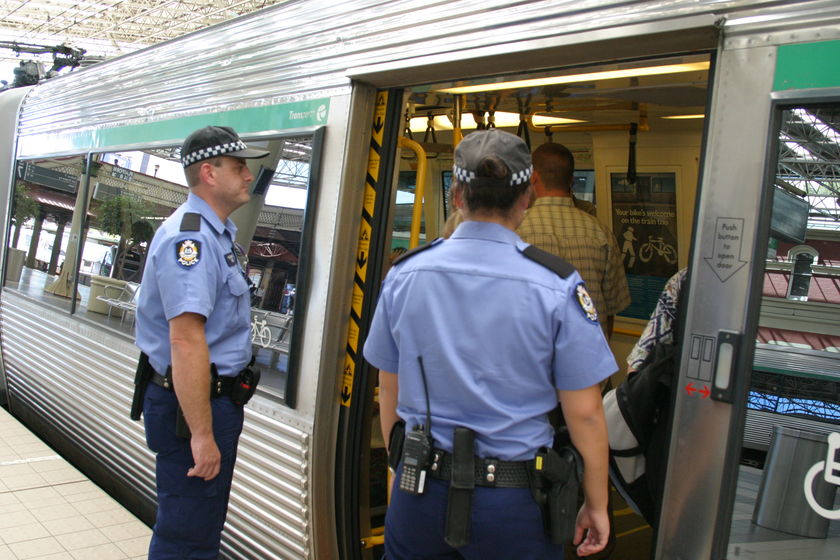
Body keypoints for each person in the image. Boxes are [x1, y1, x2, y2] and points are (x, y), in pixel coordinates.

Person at [364, 129, 614, 559]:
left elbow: (391, 388)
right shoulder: (556, 285)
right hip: (514, 504)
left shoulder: (405, 274)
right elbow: (586, 414)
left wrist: (401, 467)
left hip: (419, 490)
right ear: (526, 198)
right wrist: (596, 503)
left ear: (457, 195)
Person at [134, 125, 269, 558]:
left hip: (208, 402)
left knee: (201, 523)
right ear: (209, 173)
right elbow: (187, 340)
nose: (248, 175)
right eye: (239, 166)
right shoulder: (190, 239)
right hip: (193, 407)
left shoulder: (216, 234)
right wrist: (202, 435)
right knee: (188, 534)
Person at [517, 143, 630, 337]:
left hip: (531, 359)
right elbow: (612, 308)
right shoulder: (601, 233)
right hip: (588, 358)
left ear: (533, 176)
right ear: (571, 180)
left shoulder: (514, 230)